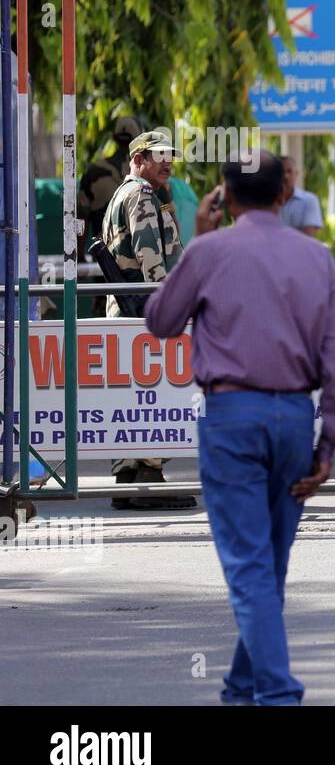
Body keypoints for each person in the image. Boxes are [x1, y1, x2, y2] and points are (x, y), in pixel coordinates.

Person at [145, 150, 335, 706]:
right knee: (268, 568)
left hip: (233, 419)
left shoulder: (209, 251)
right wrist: (330, 438)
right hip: (291, 421)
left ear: (225, 196)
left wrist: (195, 241)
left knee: (250, 569)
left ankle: (277, 694)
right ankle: (241, 690)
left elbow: (160, 322)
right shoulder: (317, 258)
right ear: (284, 194)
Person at [101, 130, 192, 509]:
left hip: (126, 309)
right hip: (147, 309)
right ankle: (149, 476)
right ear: (138, 158)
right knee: (157, 391)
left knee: (133, 393)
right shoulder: (140, 195)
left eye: (171, 154)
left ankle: (127, 478)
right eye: (159, 155)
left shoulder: (122, 195)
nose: (168, 161)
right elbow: (151, 259)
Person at [79, 114, 145, 259]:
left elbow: (81, 219)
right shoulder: (147, 172)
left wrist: (79, 258)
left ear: (115, 138)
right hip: (140, 260)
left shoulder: (93, 172)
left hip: (104, 260)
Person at [278, 156, 324, 237]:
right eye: (281, 172)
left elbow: (308, 237)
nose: (285, 176)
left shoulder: (309, 200)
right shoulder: (267, 201)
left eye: (289, 171)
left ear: (296, 173)